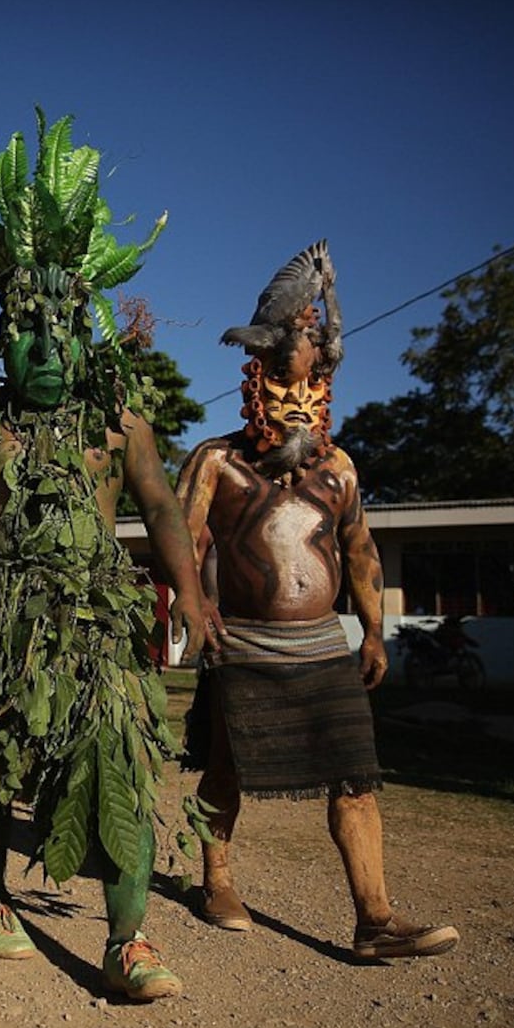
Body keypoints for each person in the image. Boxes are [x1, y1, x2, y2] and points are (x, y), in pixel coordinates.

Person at [0, 113, 215, 1001]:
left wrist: (189, 593)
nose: (44, 348)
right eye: (24, 328)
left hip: (95, 614)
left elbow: (160, 511)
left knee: (120, 759)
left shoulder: (122, 428)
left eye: (62, 329)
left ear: (91, 336)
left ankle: (128, 938)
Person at [176, 240, 459, 959]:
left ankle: (375, 919)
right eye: (282, 384)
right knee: (227, 765)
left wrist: (373, 631)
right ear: (256, 379)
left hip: (323, 649)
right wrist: (193, 609)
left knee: (357, 778)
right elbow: (183, 540)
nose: (297, 403)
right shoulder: (218, 461)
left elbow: (361, 551)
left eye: (312, 389)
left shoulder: (339, 470)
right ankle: (217, 879)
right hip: (243, 643)